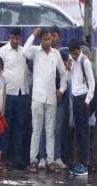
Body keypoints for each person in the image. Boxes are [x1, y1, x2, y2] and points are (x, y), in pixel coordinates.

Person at [24, 28, 67, 172]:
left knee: (50, 131)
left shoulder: (56, 54)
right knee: (36, 130)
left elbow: (63, 73)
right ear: (41, 40)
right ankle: (33, 160)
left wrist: (61, 90)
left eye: (49, 39)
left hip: (51, 98)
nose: (48, 42)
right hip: (37, 97)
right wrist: (33, 34)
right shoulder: (35, 52)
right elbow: (24, 51)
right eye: (45, 39)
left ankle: (50, 161)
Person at [0, 28, 30, 169]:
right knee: (5, 127)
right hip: (8, 94)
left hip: (21, 93)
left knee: (20, 127)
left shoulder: (24, 52)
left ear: (20, 38)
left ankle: (17, 158)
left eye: (17, 39)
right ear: (9, 37)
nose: (15, 41)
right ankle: (3, 158)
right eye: (13, 38)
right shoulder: (3, 51)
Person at [67, 39, 96, 177]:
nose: (74, 55)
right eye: (72, 54)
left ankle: (85, 164)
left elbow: (92, 83)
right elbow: (70, 77)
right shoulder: (72, 61)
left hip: (83, 98)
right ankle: (80, 162)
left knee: (84, 134)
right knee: (78, 133)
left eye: (76, 53)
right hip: (75, 97)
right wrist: (70, 65)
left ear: (79, 50)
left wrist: (87, 100)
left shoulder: (85, 62)